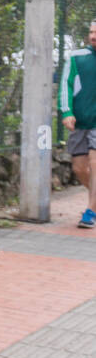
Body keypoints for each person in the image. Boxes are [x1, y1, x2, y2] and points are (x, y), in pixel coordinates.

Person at [59, 19, 96, 228]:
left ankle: (90, 212)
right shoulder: (77, 57)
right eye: (91, 32)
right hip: (80, 122)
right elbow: (66, 84)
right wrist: (67, 112)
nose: (93, 36)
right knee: (80, 168)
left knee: (94, 163)